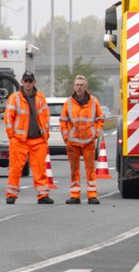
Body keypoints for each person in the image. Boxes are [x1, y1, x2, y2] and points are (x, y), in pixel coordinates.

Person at [4, 70, 52, 204]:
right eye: (26, 81)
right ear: (22, 82)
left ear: (34, 82)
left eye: (30, 81)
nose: (28, 83)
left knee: (40, 169)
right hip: (19, 140)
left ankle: (43, 196)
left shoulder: (40, 97)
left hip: (38, 140)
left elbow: (45, 116)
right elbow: (8, 117)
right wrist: (11, 135)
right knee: (15, 169)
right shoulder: (15, 97)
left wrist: (45, 135)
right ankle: (11, 195)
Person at [60, 75, 104, 205]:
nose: (79, 87)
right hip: (72, 141)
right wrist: (65, 137)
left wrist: (95, 133)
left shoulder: (94, 101)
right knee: (74, 171)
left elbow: (100, 119)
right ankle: (74, 195)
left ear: (86, 87)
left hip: (88, 141)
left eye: (81, 85)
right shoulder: (68, 102)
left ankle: (92, 196)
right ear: (74, 86)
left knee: (90, 171)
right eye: (77, 85)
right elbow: (63, 120)